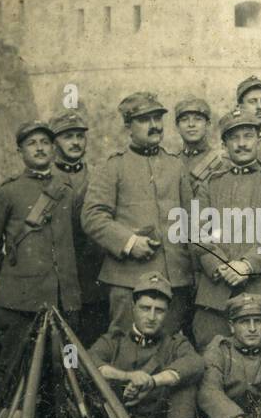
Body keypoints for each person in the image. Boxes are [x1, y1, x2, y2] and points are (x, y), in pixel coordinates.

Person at [0, 120, 80, 407]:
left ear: (53, 148)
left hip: (62, 300)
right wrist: (10, 273)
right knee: (11, 376)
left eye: (45, 142)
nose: (40, 148)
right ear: (20, 151)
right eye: (32, 143)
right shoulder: (7, 192)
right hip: (19, 304)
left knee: (60, 377)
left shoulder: (66, 191)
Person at [81, 92, 194, 336]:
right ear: (128, 126)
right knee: (125, 351)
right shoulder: (113, 167)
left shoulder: (176, 166)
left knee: (169, 351)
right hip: (129, 281)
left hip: (174, 280)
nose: (154, 126)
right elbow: (92, 216)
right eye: (144, 120)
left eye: (157, 118)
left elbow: (191, 219)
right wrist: (129, 243)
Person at [88, 272, 203, 418]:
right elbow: (89, 361)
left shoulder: (174, 343)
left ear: (167, 313)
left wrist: (152, 381)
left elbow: (195, 363)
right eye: (145, 308)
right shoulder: (115, 340)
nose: (152, 316)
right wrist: (127, 376)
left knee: (186, 385)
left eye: (159, 310)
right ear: (133, 307)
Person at [190, 108, 261, 348]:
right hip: (215, 297)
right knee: (212, 359)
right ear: (224, 144)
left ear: (258, 139)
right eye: (234, 138)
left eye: (248, 136)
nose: (242, 144)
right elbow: (197, 235)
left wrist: (247, 265)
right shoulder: (209, 185)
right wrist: (222, 265)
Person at [50, 109, 109, 345]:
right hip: (57, 285)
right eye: (67, 136)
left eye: (79, 136)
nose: (75, 142)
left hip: (94, 282)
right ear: (55, 142)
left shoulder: (100, 176)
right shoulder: (46, 179)